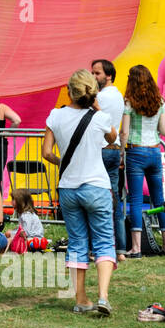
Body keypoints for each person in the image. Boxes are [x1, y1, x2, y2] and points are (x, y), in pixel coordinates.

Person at [42, 69, 118, 315]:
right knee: (104, 241)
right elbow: (113, 137)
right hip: (96, 185)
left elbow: (46, 152)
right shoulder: (99, 117)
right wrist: (97, 107)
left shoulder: (56, 116)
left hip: (68, 188)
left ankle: (81, 298)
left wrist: (63, 162)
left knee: (77, 243)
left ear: (69, 91)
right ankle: (103, 297)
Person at [120, 65, 165, 258]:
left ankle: (136, 248)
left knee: (135, 200)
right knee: (159, 198)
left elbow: (124, 132)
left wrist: (121, 154)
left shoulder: (129, 103)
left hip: (135, 151)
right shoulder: (159, 101)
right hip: (154, 152)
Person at [90, 59, 127, 258]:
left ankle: (98, 247)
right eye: (93, 73)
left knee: (96, 199)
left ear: (109, 75)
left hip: (101, 149)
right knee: (114, 199)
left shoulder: (100, 98)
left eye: (97, 73)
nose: (94, 77)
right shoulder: (119, 96)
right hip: (113, 151)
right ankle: (120, 248)